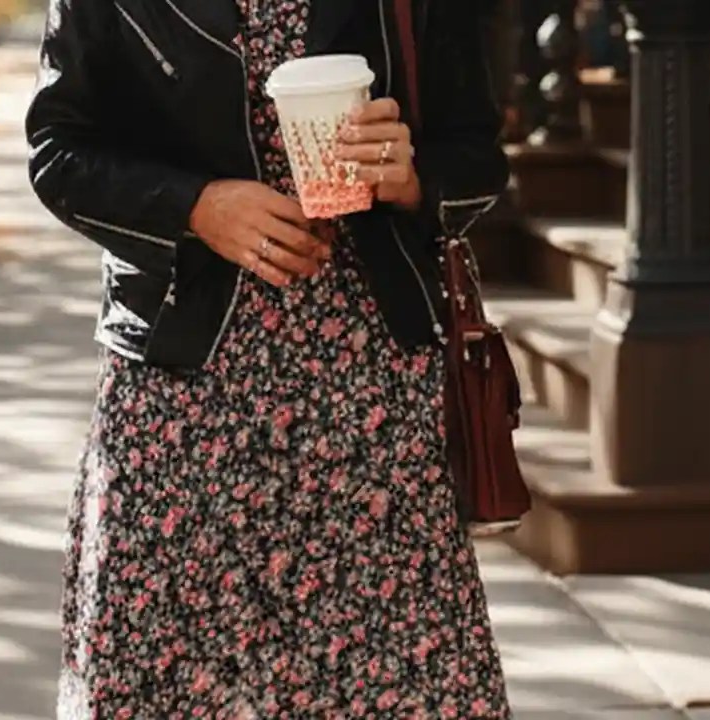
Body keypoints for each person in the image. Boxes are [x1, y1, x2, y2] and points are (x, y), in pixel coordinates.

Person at [27, 0, 511, 716]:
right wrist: (197, 207)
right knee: (162, 687)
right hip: (180, 393)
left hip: (367, 401)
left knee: (394, 689)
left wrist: (407, 178)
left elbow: (476, 155)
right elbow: (59, 153)